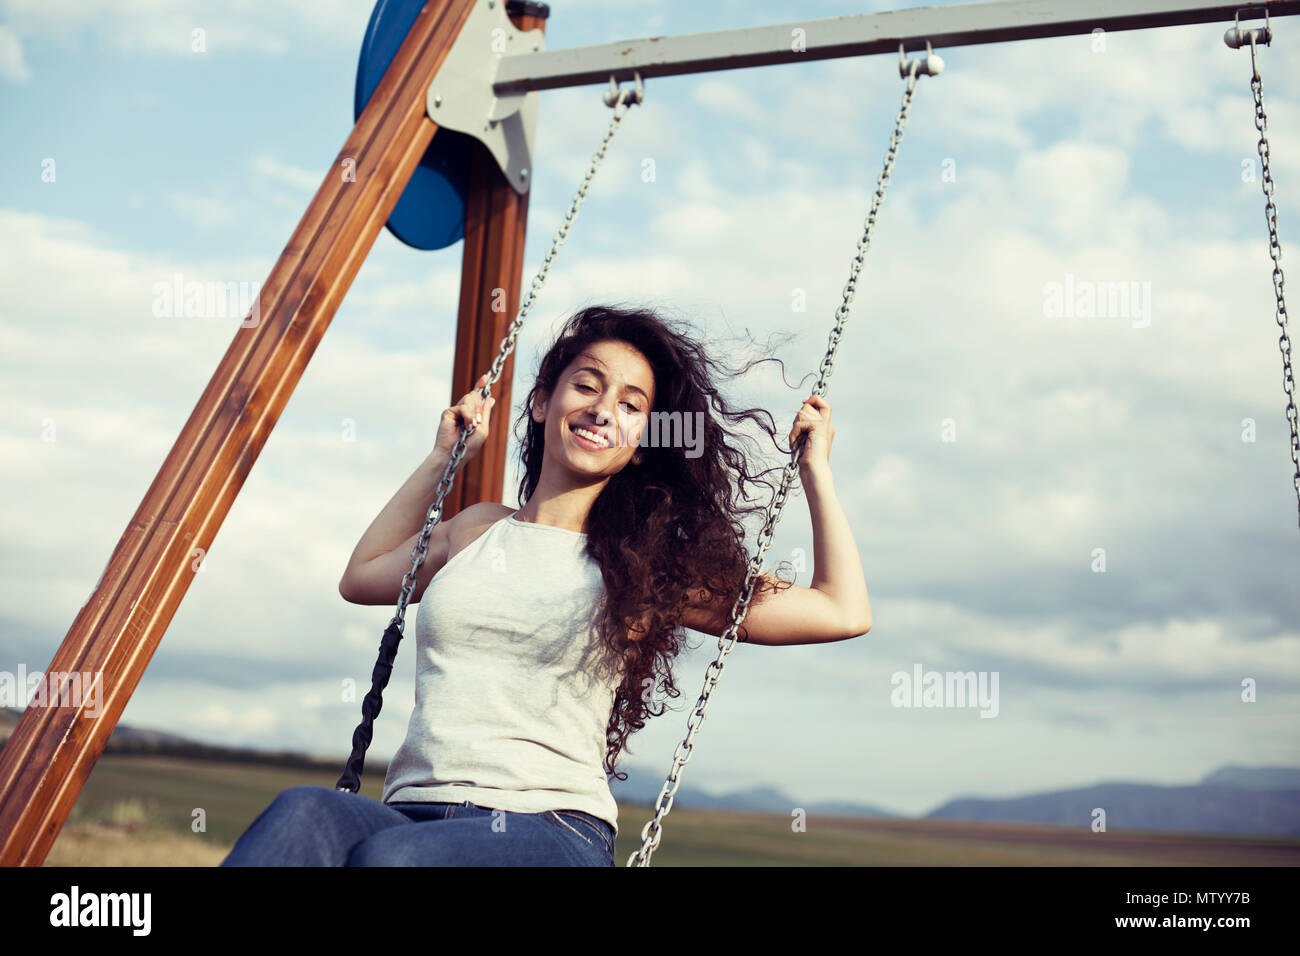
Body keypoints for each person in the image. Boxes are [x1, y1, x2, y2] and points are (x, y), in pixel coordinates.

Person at [220, 303, 871, 866]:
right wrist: (443, 457)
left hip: (550, 832)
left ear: (641, 443)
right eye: (587, 385)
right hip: (411, 811)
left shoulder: (646, 567)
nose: (602, 410)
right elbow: (362, 576)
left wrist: (817, 474)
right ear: (542, 402)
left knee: (395, 862)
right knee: (302, 812)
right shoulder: (475, 530)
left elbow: (842, 609)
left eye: (630, 404)